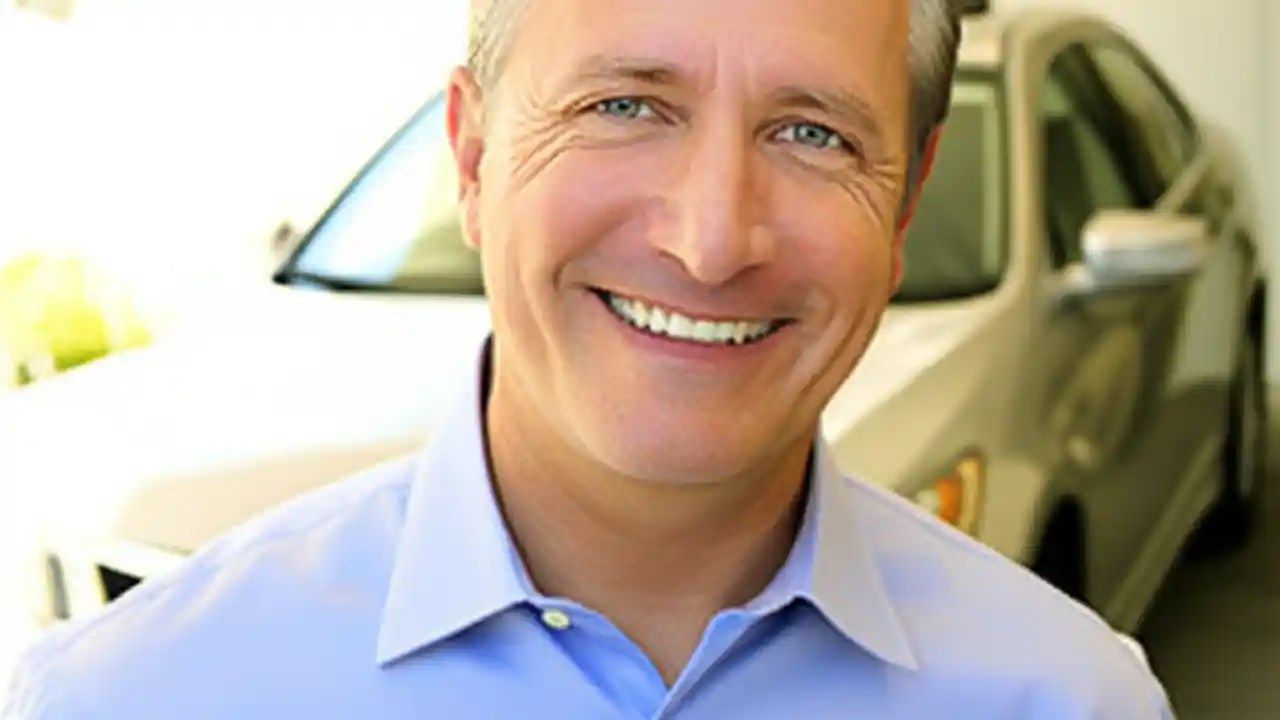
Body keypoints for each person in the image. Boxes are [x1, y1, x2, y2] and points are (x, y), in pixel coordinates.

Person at [4, 0, 1175, 717]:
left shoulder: (1064, 702)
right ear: (469, 160)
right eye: (624, 106)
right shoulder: (128, 702)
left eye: (812, 133)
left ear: (905, 204)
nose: (711, 242)